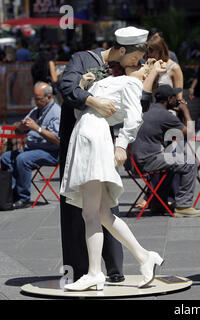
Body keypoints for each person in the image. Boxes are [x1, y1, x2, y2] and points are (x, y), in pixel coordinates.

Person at [60, 58, 167, 292]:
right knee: (102, 214)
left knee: (91, 213)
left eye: (141, 66)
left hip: (94, 139)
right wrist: (83, 86)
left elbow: (135, 116)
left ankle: (95, 272)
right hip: (89, 135)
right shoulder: (117, 81)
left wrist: (121, 145)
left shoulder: (131, 84)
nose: (136, 65)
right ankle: (143, 256)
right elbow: (82, 108)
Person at [130, 85, 200, 218]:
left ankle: (158, 202)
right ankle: (184, 206)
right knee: (190, 162)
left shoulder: (148, 109)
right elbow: (190, 133)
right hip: (147, 161)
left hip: (134, 162)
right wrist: (185, 110)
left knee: (174, 157)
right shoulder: (165, 115)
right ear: (169, 99)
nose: (178, 100)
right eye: (175, 98)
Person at [1, 82, 60, 209]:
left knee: (23, 159)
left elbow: (57, 140)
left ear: (48, 97)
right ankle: (11, 194)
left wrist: (37, 128)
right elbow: (17, 130)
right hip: (31, 148)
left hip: (50, 152)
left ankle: (24, 198)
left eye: (38, 99)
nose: (36, 102)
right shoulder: (36, 110)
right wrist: (20, 127)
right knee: (6, 157)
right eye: (35, 99)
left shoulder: (56, 113)